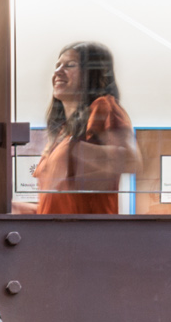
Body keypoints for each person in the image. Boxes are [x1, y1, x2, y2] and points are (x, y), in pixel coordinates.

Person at [28, 41, 139, 216]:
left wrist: (74, 151)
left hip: (85, 237)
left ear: (91, 73)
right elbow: (59, 204)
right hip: (56, 236)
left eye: (69, 65)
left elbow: (130, 160)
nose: (57, 72)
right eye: (57, 66)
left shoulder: (103, 107)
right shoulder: (63, 133)